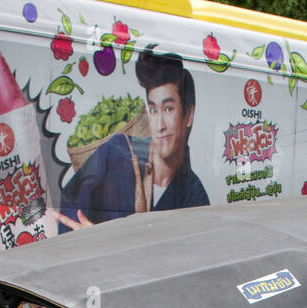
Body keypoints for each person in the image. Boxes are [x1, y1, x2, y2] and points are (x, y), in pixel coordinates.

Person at [55, 47, 209, 230]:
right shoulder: (118, 151)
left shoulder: (194, 197)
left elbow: (188, 254)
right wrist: (84, 239)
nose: (159, 125)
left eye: (168, 109)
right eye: (153, 110)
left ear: (189, 115)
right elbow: (68, 207)